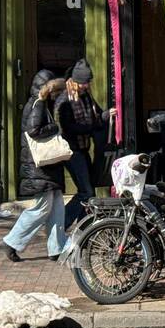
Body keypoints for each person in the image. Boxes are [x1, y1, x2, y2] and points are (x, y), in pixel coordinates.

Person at [2, 74, 67, 261]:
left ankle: (57, 247)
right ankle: (11, 242)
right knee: (41, 208)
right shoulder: (37, 104)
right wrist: (55, 128)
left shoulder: (41, 104)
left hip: (46, 168)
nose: (57, 96)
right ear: (48, 89)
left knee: (56, 207)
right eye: (56, 92)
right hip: (39, 168)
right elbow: (33, 130)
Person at [57, 59, 110, 228]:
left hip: (83, 148)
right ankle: (60, 225)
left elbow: (97, 117)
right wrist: (91, 127)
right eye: (85, 82)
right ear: (76, 82)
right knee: (86, 191)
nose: (87, 85)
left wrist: (107, 114)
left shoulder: (86, 97)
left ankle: (83, 229)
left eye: (88, 82)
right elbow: (67, 128)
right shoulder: (64, 100)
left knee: (88, 192)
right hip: (71, 151)